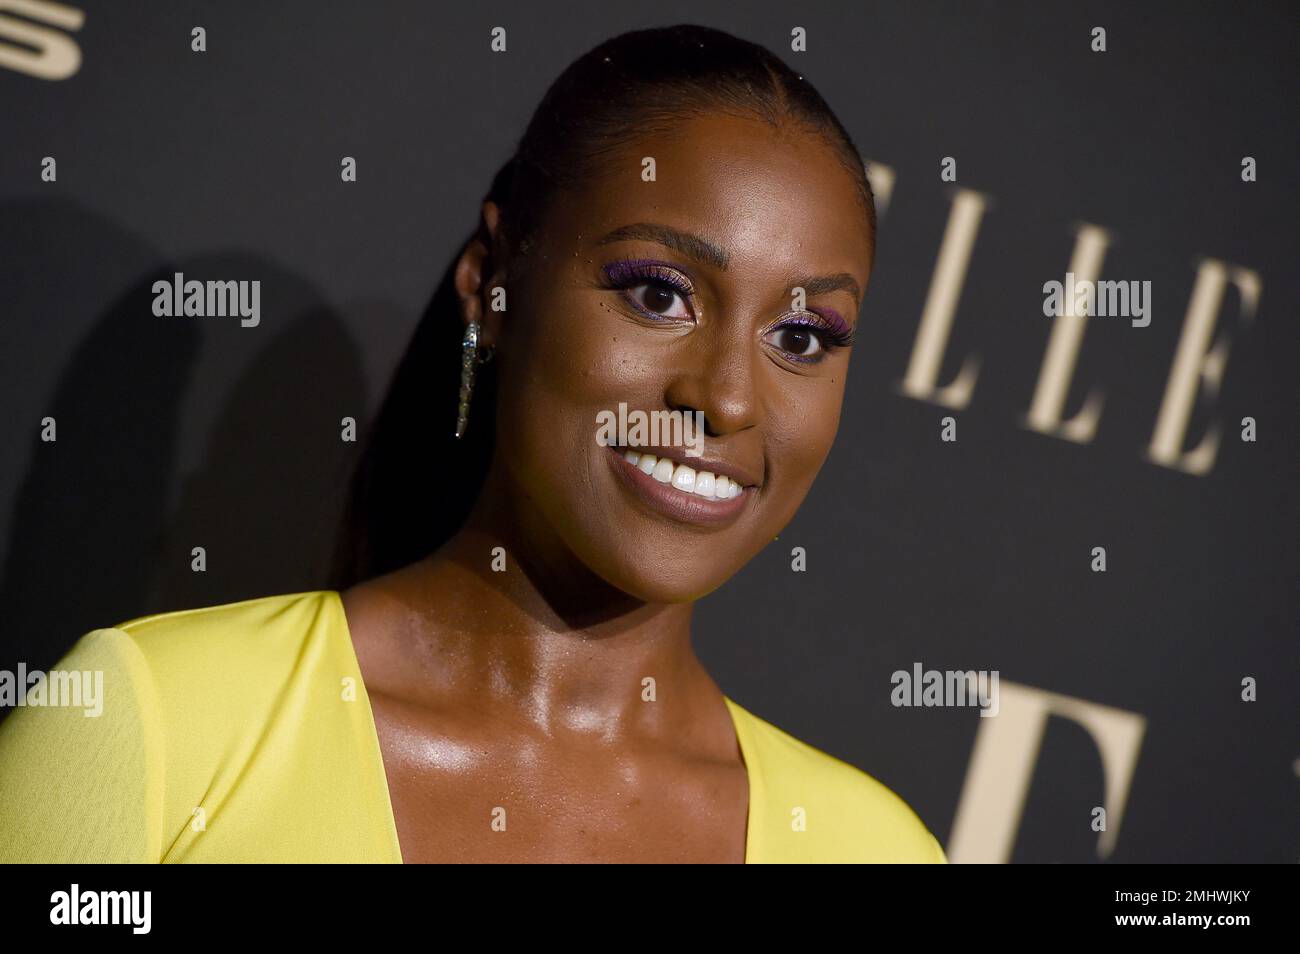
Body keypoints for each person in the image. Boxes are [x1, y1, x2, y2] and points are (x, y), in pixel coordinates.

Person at [0, 24, 946, 863]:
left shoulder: (876, 847)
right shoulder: (159, 732)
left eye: (802, 337)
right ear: (492, 284)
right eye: (658, 292)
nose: (728, 398)